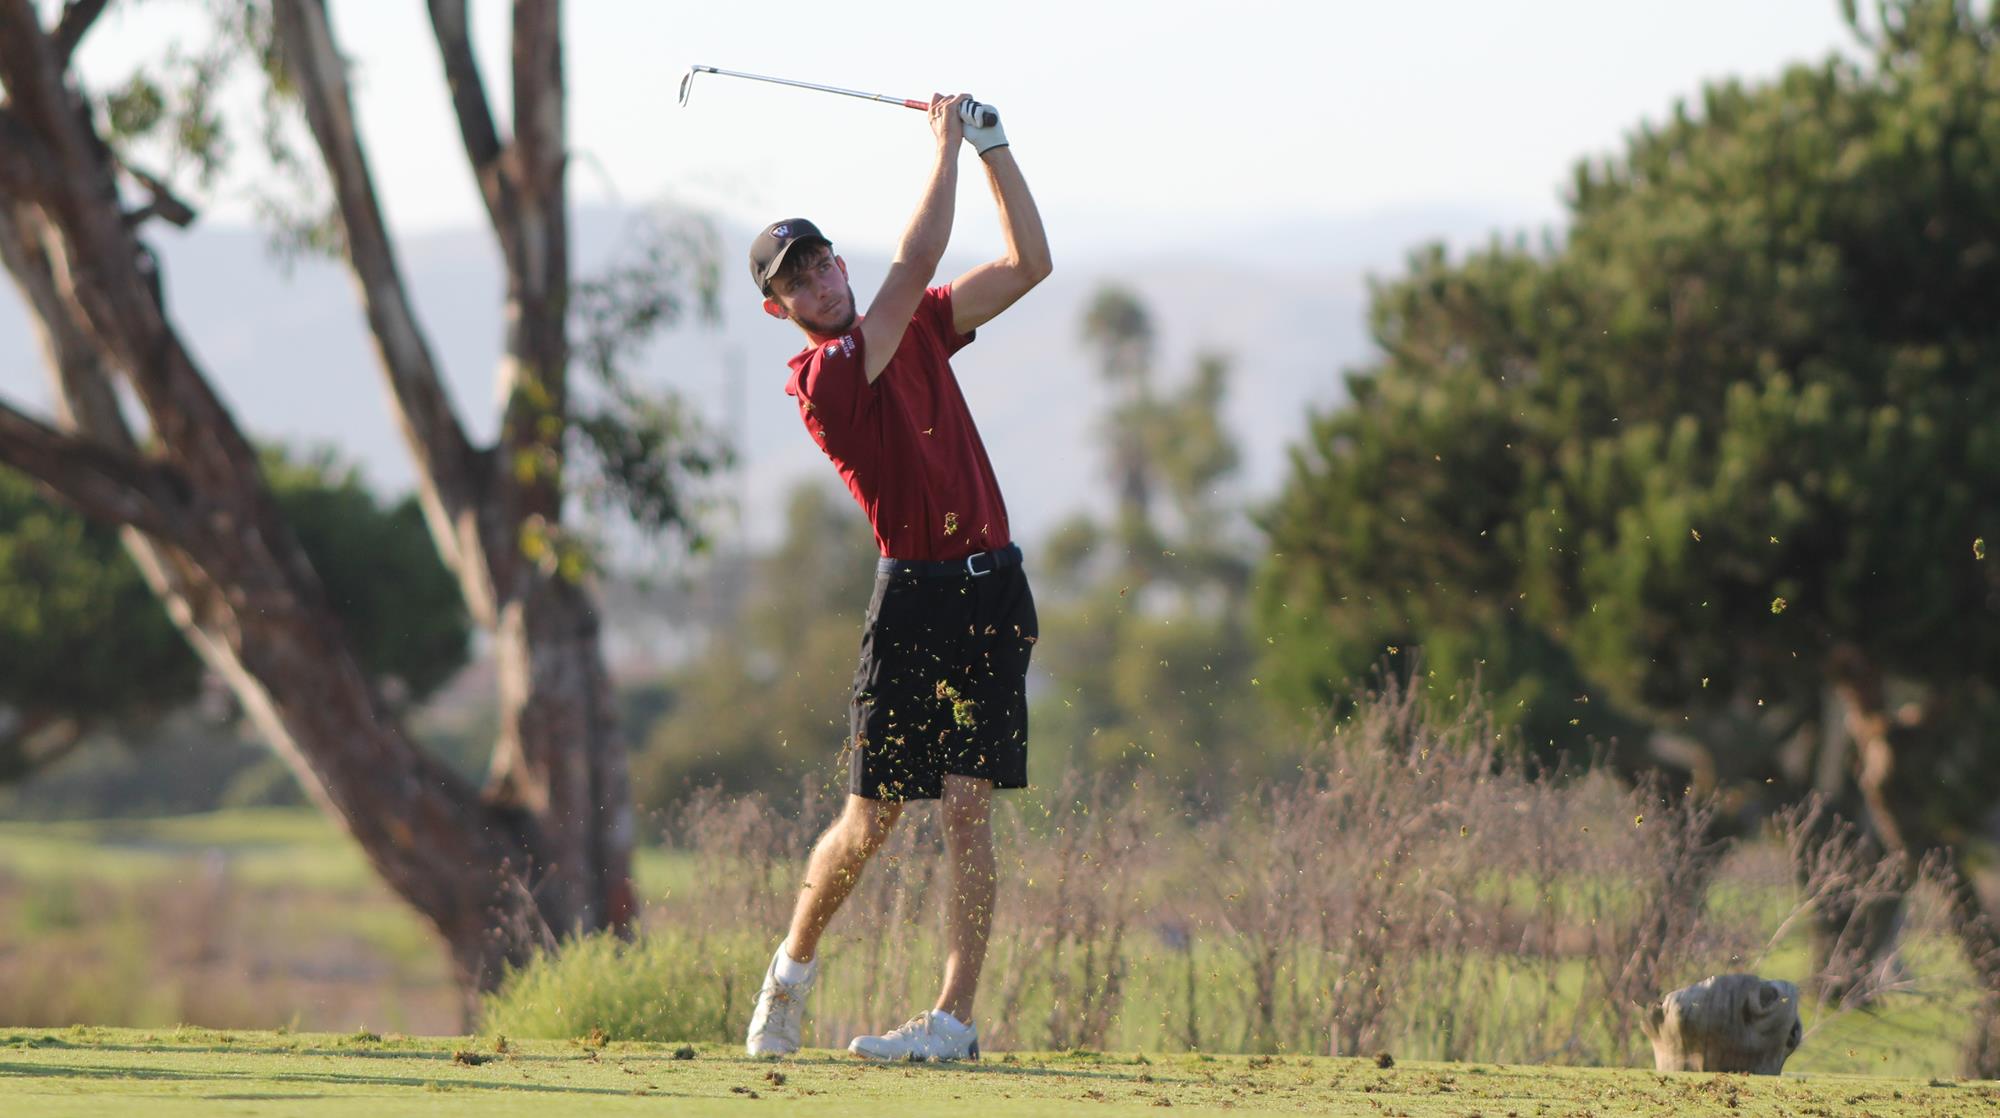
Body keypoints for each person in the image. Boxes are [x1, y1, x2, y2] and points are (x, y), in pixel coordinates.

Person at [741, 92, 1052, 1062]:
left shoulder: (910, 324)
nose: (818, 281)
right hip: (912, 598)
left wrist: (994, 148)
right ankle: (790, 969)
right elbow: (914, 261)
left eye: (822, 261)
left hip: (988, 588)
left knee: (967, 805)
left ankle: (952, 1022)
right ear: (778, 308)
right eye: (796, 280)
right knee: (871, 818)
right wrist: (942, 144)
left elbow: (1027, 265)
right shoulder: (823, 378)